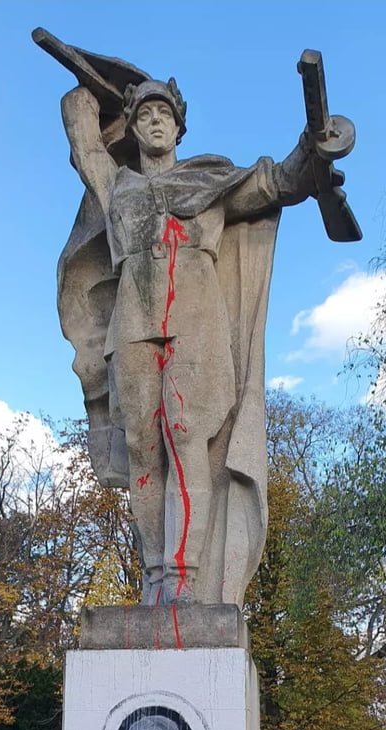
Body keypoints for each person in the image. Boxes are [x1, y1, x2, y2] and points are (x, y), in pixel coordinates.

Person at [58, 74, 321, 606]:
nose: (155, 122)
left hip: (196, 324)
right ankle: (154, 574)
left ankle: (183, 574)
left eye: (164, 115)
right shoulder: (118, 186)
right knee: (141, 446)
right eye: (144, 116)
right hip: (132, 326)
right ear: (132, 128)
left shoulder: (211, 182)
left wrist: (312, 145)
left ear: (180, 126)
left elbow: (280, 183)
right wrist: (88, 90)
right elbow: (82, 138)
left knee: (184, 436)